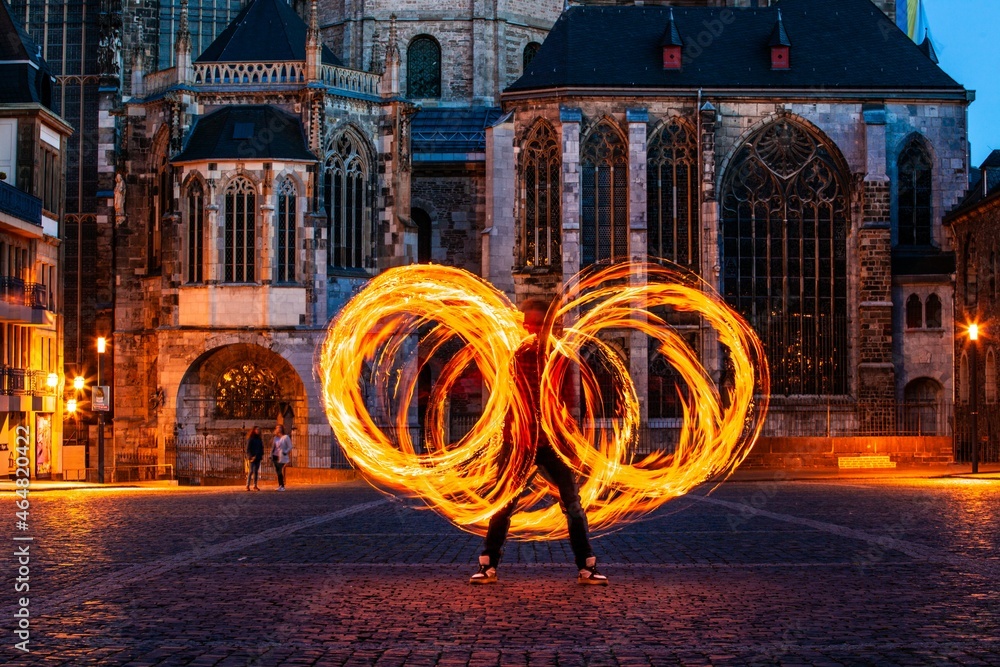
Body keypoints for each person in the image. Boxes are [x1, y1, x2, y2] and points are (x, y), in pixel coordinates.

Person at [470, 298, 608, 586]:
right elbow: (506, 398)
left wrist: (567, 440)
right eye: (526, 324)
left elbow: (567, 403)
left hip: (550, 445)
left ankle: (587, 566)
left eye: (536, 324)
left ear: (549, 327)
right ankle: (488, 565)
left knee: (572, 505)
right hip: (519, 444)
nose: (529, 329)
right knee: (504, 504)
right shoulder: (516, 356)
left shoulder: (558, 359)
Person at [271, 424, 293, 491]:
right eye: (277, 428)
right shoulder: (275, 438)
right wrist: (270, 454)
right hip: (275, 456)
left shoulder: (285, 437)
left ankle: (282, 486)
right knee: (278, 471)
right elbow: (273, 447)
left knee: (280, 471)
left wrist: (285, 451)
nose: (278, 429)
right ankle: (280, 485)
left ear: (282, 429)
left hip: (282, 456)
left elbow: (290, 446)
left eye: (280, 428)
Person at [245, 427, 263, 491]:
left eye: (259, 429)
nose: (258, 431)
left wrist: (261, 455)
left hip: (258, 457)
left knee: (256, 472)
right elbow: (248, 449)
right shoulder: (251, 439)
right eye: (257, 429)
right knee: (251, 471)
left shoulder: (259, 439)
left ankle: (255, 485)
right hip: (252, 457)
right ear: (254, 430)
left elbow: (261, 448)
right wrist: (250, 456)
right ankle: (247, 485)